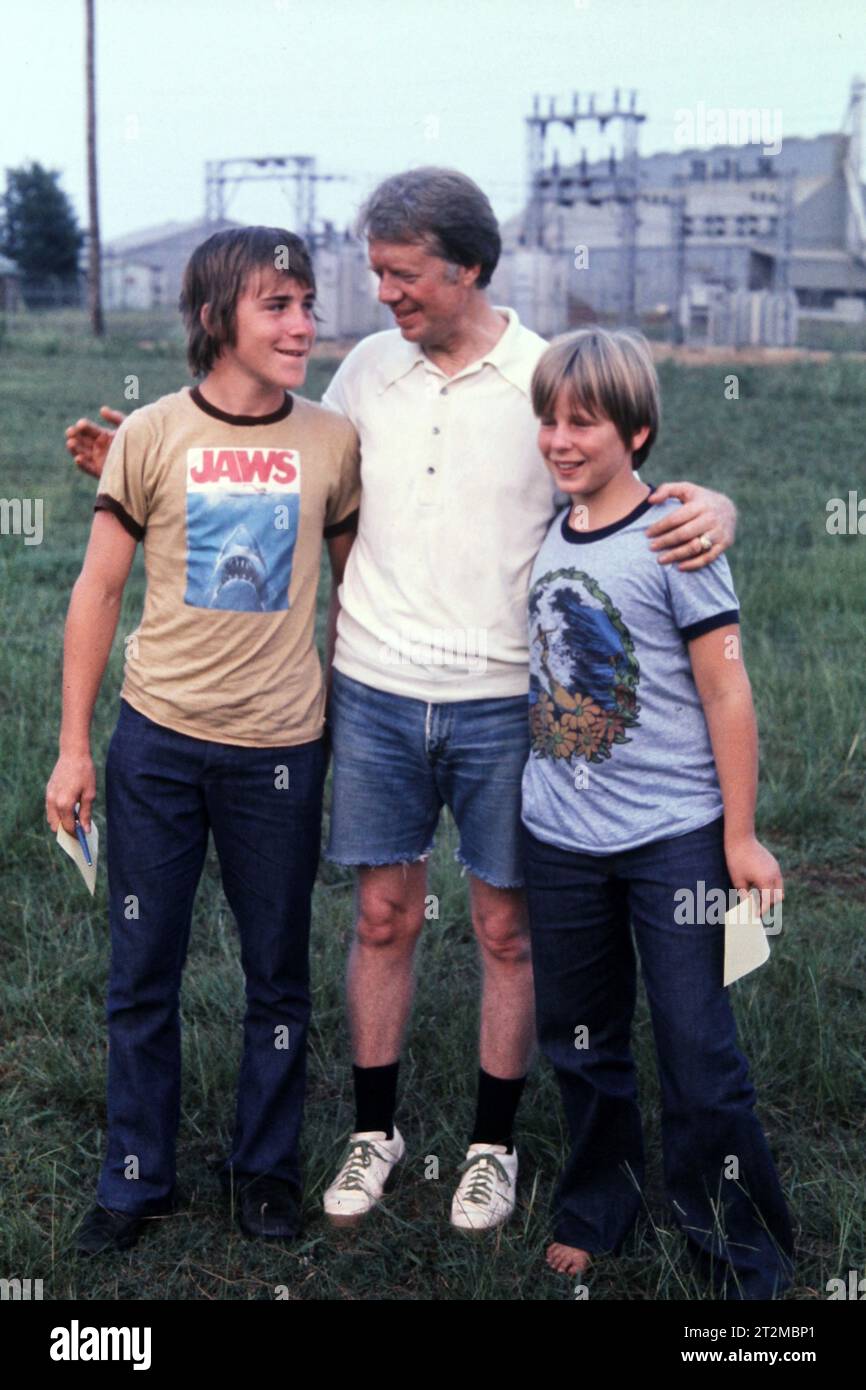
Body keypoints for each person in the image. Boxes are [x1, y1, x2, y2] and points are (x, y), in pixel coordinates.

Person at [65, 167, 738, 1237]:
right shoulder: (364, 375)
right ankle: (370, 1132)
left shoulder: (538, 373)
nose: (378, 294)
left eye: (401, 273)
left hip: (501, 702)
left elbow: (609, 467)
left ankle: (489, 1146)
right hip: (371, 697)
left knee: (503, 929)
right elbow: (280, 480)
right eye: (373, 272)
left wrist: (715, 504)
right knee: (380, 916)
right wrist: (142, 468)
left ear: (467, 269)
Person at [46, 226, 360, 1254]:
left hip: (281, 748)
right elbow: (97, 588)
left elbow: (360, 588)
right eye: (277, 305)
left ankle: (263, 1171)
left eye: (307, 302)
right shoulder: (148, 433)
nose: (303, 323)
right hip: (159, 744)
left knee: (278, 974)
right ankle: (135, 1177)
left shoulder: (331, 439)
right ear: (214, 316)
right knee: (144, 967)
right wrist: (74, 746)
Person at [520, 326, 793, 1297]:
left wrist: (737, 832)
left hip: (670, 839)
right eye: (546, 419)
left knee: (694, 1044)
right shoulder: (543, 527)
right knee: (580, 1038)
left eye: (582, 422)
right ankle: (601, 1196)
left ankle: (733, 1239)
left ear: (634, 432)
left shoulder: (677, 535)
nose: (558, 439)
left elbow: (727, 692)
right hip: (557, 837)